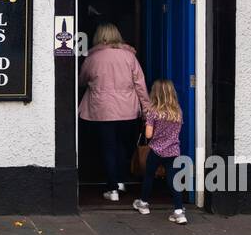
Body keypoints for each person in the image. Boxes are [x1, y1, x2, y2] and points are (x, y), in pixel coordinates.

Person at [79, 23, 150, 201]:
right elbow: (140, 85)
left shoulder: (93, 57)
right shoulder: (129, 56)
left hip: (102, 110)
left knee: (108, 147)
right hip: (127, 109)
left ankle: (112, 190)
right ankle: (121, 181)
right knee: (122, 146)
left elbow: (82, 80)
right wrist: (147, 108)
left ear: (99, 36)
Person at [133, 79, 188, 224]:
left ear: (155, 94)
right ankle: (178, 211)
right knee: (173, 180)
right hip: (173, 150)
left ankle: (143, 203)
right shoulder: (177, 111)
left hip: (156, 150)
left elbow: (149, 135)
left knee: (149, 175)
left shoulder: (152, 112)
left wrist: (148, 126)